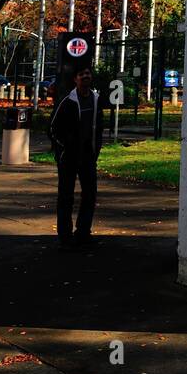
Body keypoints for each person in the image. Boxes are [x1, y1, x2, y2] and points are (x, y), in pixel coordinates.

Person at [49, 63, 105, 250]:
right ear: (75, 79)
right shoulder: (68, 101)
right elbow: (53, 128)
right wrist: (66, 147)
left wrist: (96, 148)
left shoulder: (96, 100)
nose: (85, 76)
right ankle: (65, 235)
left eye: (88, 73)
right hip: (69, 157)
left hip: (88, 156)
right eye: (82, 74)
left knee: (90, 194)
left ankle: (83, 232)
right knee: (66, 196)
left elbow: (99, 127)